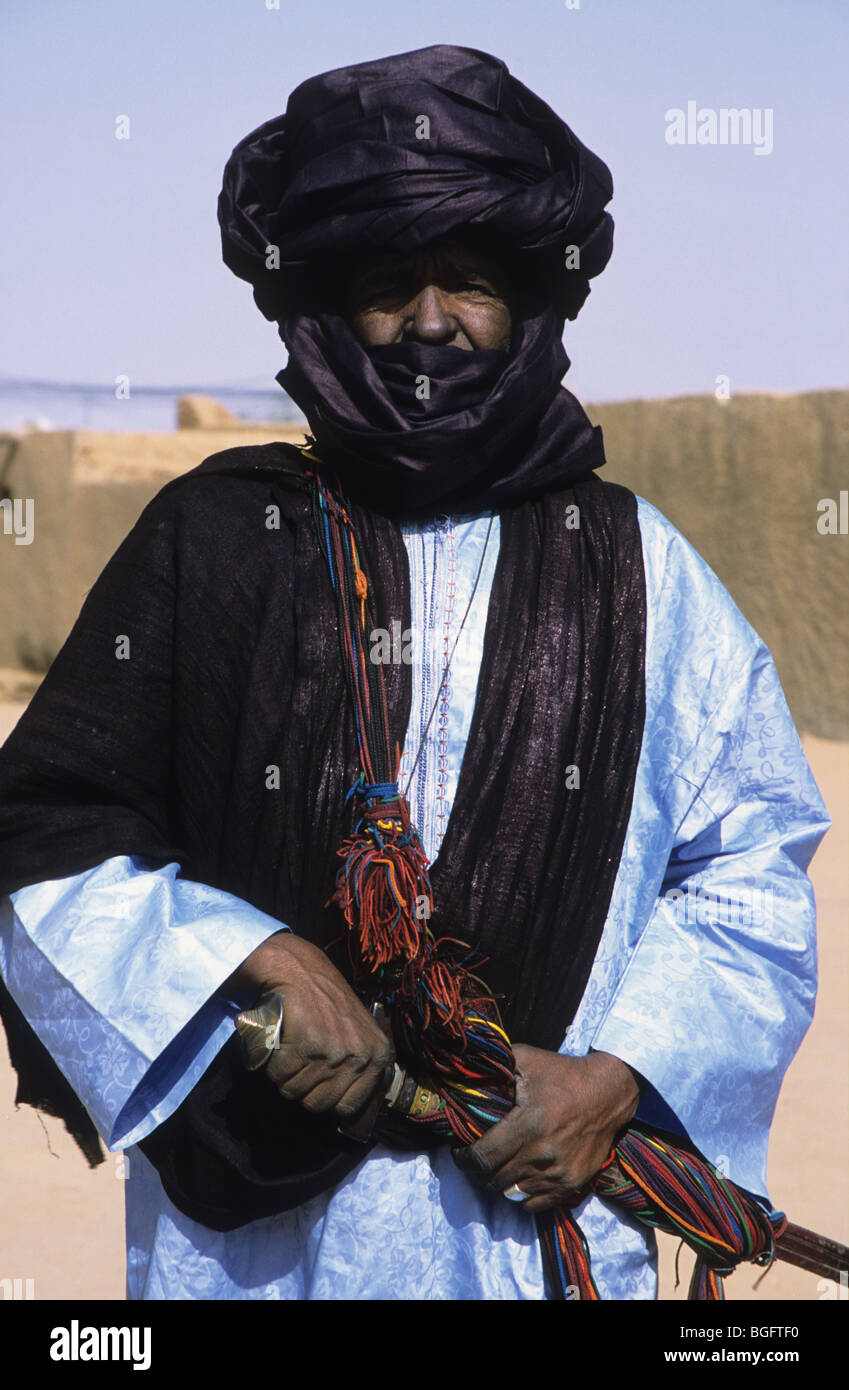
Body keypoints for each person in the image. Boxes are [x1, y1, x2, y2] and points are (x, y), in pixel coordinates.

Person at [0, 45, 829, 1301]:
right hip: (247, 1255)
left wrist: (614, 1079)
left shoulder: (639, 571)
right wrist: (254, 959)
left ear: (529, 306)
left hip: (533, 1230)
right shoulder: (212, 541)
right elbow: (46, 838)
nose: (431, 319)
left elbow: (749, 868)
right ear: (328, 306)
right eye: (390, 280)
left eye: (473, 281)